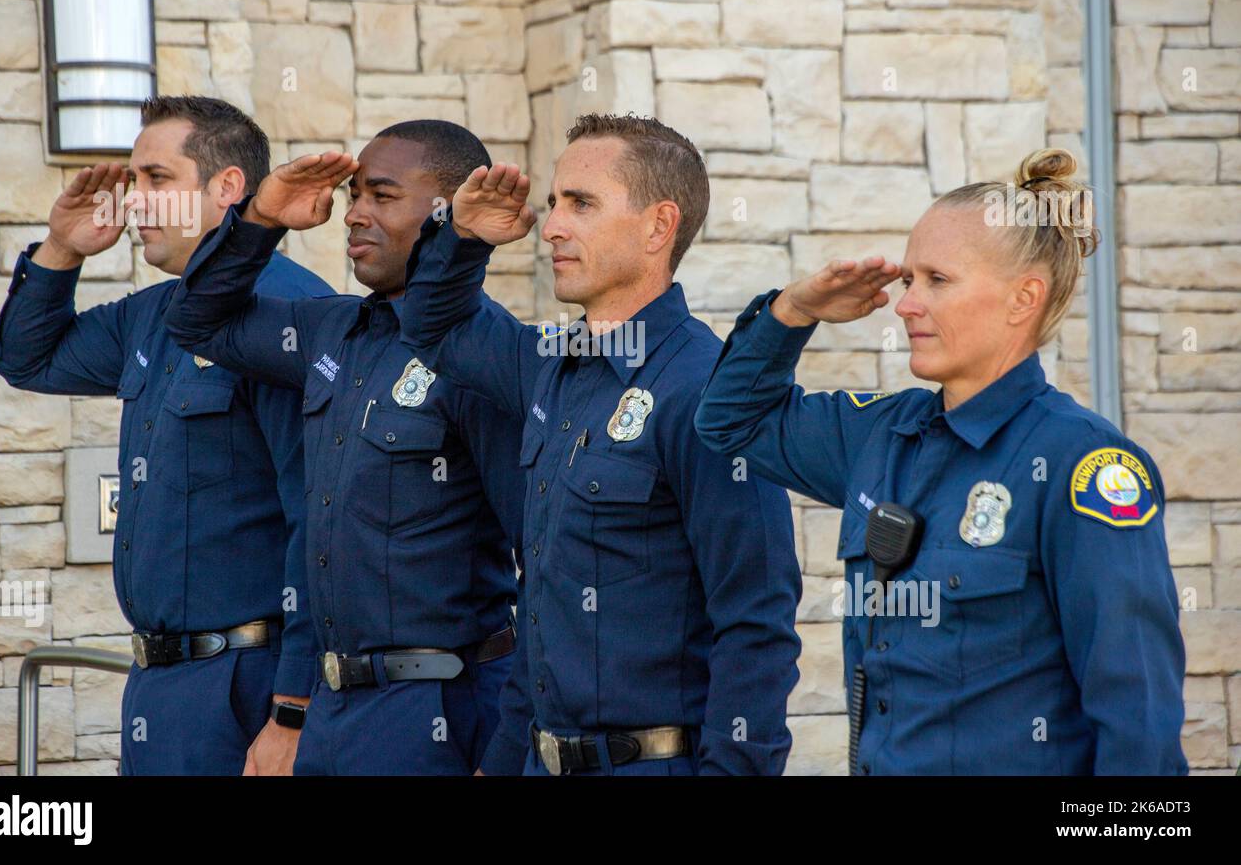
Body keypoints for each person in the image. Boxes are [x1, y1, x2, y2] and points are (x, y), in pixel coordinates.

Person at [694, 147, 1188, 775]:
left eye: (938, 280)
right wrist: (794, 310)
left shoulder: (1085, 467)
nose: (905, 304)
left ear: (1022, 299)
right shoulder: (880, 435)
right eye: (908, 281)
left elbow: (1136, 715)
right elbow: (729, 422)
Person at [394, 113, 801, 776]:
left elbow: (755, 622)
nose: (552, 227)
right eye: (555, 203)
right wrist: (461, 236)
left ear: (658, 226)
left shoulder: (708, 395)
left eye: (581, 204)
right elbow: (433, 327)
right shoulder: (552, 365)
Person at [164, 121, 525, 775]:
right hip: (335, 710)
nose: (354, 214)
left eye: (382, 197)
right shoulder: (330, 330)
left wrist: (504, 752)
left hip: (439, 709)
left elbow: (546, 563)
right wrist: (262, 218)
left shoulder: (486, 354)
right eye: (354, 194)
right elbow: (196, 322)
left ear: (448, 211)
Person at [0, 95, 331, 774]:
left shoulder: (289, 312)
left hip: (245, 685)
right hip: (159, 682)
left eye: (156, 179)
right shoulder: (155, 312)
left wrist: (292, 708)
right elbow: (29, 359)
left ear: (227, 189)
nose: (134, 202)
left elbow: (318, 525)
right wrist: (61, 250)